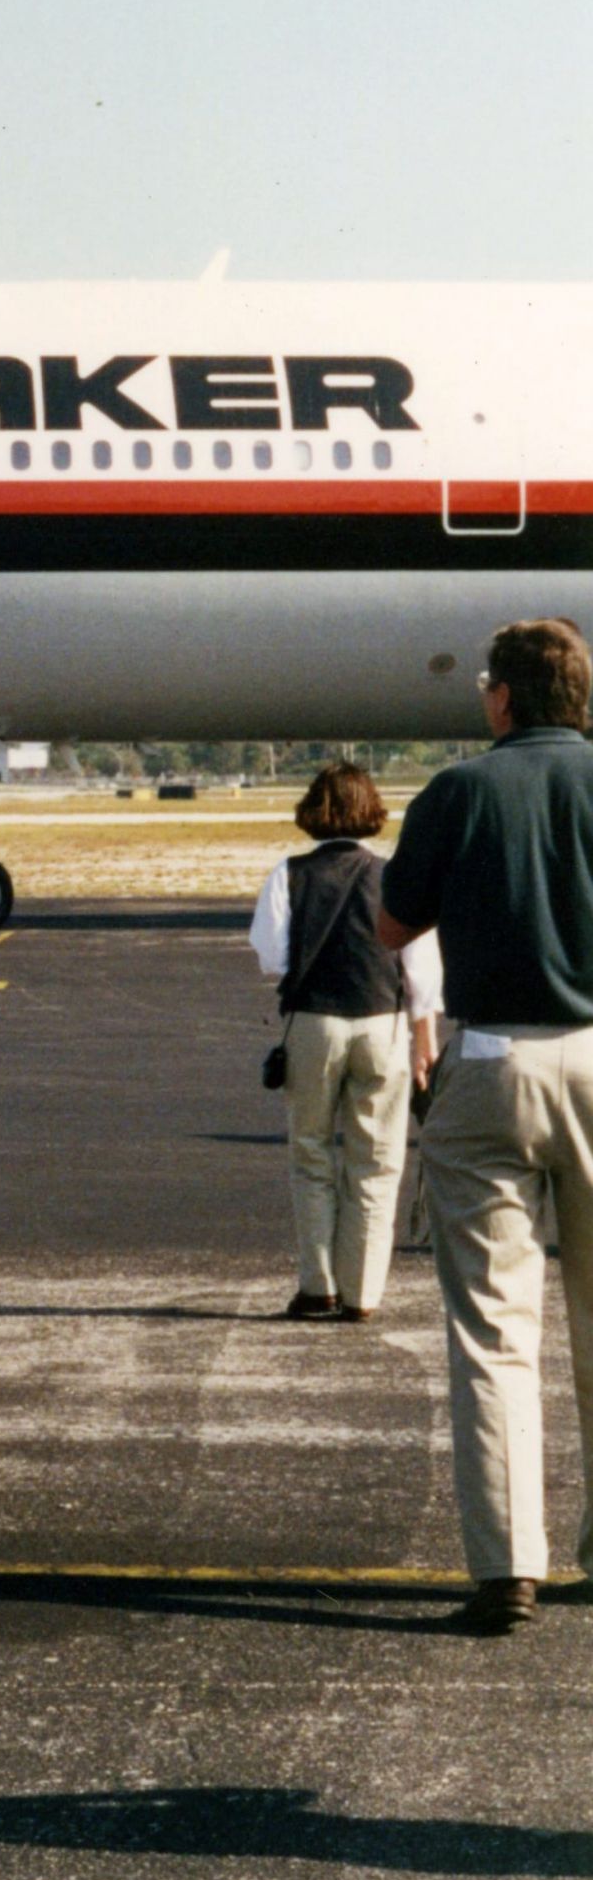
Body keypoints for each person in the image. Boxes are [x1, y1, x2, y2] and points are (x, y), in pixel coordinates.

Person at [379, 617, 593, 1636]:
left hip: (495, 1059)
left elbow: (392, 924)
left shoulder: (460, 789)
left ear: (503, 697)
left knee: (495, 1332)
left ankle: (508, 1565)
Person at [249, 761, 442, 1322]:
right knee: (376, 1162)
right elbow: (422, 971)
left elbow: (271, 957)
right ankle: (362, 1294)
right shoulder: (391, 874)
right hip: (384, 1023)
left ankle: (319, 1287)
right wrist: (424, 1043)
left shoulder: (288, 873)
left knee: (310, 1154)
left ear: (313, 810)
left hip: (313, 1022)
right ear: (371, 810)